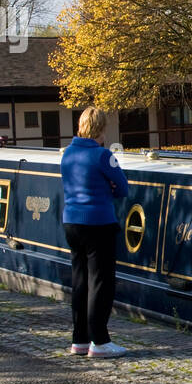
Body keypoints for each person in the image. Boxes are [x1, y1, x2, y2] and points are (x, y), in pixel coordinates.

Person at [61, 107, 130, 357]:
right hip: (98, 223)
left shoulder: (67, 153)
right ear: (101, 129)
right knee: (100, 282)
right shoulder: (104, 155)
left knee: (80, 281)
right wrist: (107, 187)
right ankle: (99, 341)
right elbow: (123, 188)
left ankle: (79, 340)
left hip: (71, 223)